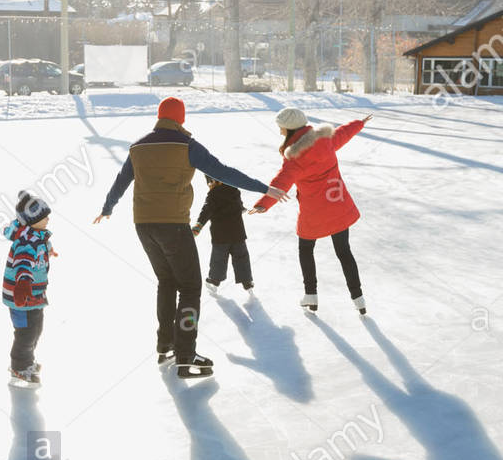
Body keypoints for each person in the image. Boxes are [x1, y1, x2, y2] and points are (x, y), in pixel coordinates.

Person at [94, 96, 286, 378]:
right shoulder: (186, 145)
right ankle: (186, 354)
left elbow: (121, 181)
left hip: (143, 224)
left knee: (166, 282)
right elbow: (223, 172)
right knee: (191, 287)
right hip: (173, 224)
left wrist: (107, 208)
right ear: (180, 118)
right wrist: (262, 188)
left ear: (160, 116)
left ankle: (166, 345)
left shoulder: (138, 146)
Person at [251, 107, 370, 314]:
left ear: (289, 129)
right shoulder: (326, 140)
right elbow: (343, 133)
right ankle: (358, 298)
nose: (279, 132)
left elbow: (281, 183)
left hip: (314, 213)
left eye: (281, 128)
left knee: (306, 250)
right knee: (344, 252)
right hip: (339, 205)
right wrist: (359, 123)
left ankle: (311, 294)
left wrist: (263, 204)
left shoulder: (295, 158)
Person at [3, 191, 55, 387]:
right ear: (32, 220)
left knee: (36, 329)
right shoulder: (26, 240)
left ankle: (28, 361)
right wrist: (23, 285)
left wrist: (49, 250)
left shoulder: (38, 236)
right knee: (25, 332)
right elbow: (23, 263)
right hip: (21, 296)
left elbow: (41, 246)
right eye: (44, 216)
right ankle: (19, 366)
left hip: (35, 295)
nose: (48, 218)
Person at [193, 176, 254, 293]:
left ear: (214, 181)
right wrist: (241, 208)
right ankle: (247, 283)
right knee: (241, 257)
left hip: (220, 236)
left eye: (210, 183)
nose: (209, 185)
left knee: (218, 259)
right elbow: (238, 204)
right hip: (238, 234)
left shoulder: (213, 195)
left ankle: (214, 281)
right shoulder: (235, 191)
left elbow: (206, 210)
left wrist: (199, 225)